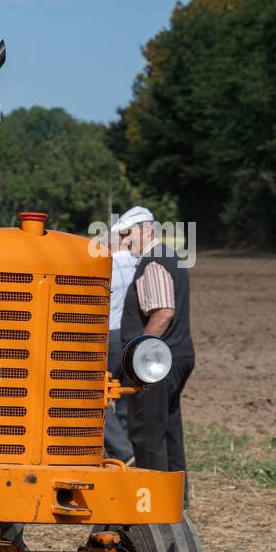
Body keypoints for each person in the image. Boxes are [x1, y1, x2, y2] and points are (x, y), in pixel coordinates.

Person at [114, 205, 195, 497]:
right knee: (170, 430)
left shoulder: (154, 261)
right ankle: (176, 499)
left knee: (147, 433)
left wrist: (138, 355)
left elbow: (163, 313)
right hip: (178, 356)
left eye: (127, 234)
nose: (124, 242)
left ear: (146, 229)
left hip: (157, 362)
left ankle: (154, 501)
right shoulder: (171, 257)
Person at [103, 238, 137, 463]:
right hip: (133, 335)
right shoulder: (137, 263)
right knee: (125, 397)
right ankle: (130, 450)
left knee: (95, 395)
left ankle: (123, 452)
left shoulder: (108, 264)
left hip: (112, 333)